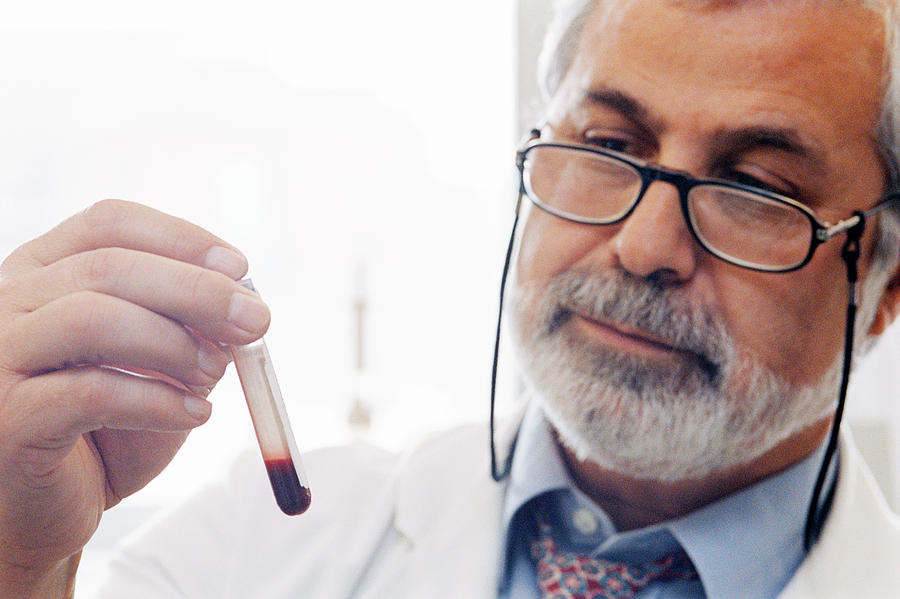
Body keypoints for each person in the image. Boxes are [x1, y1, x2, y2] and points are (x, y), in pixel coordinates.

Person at [3, 0, 900, 597]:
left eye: (753, 187)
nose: (643, 246)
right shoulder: (261, 544)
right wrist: (23, 558)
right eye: (610, 144)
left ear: (888, 287)